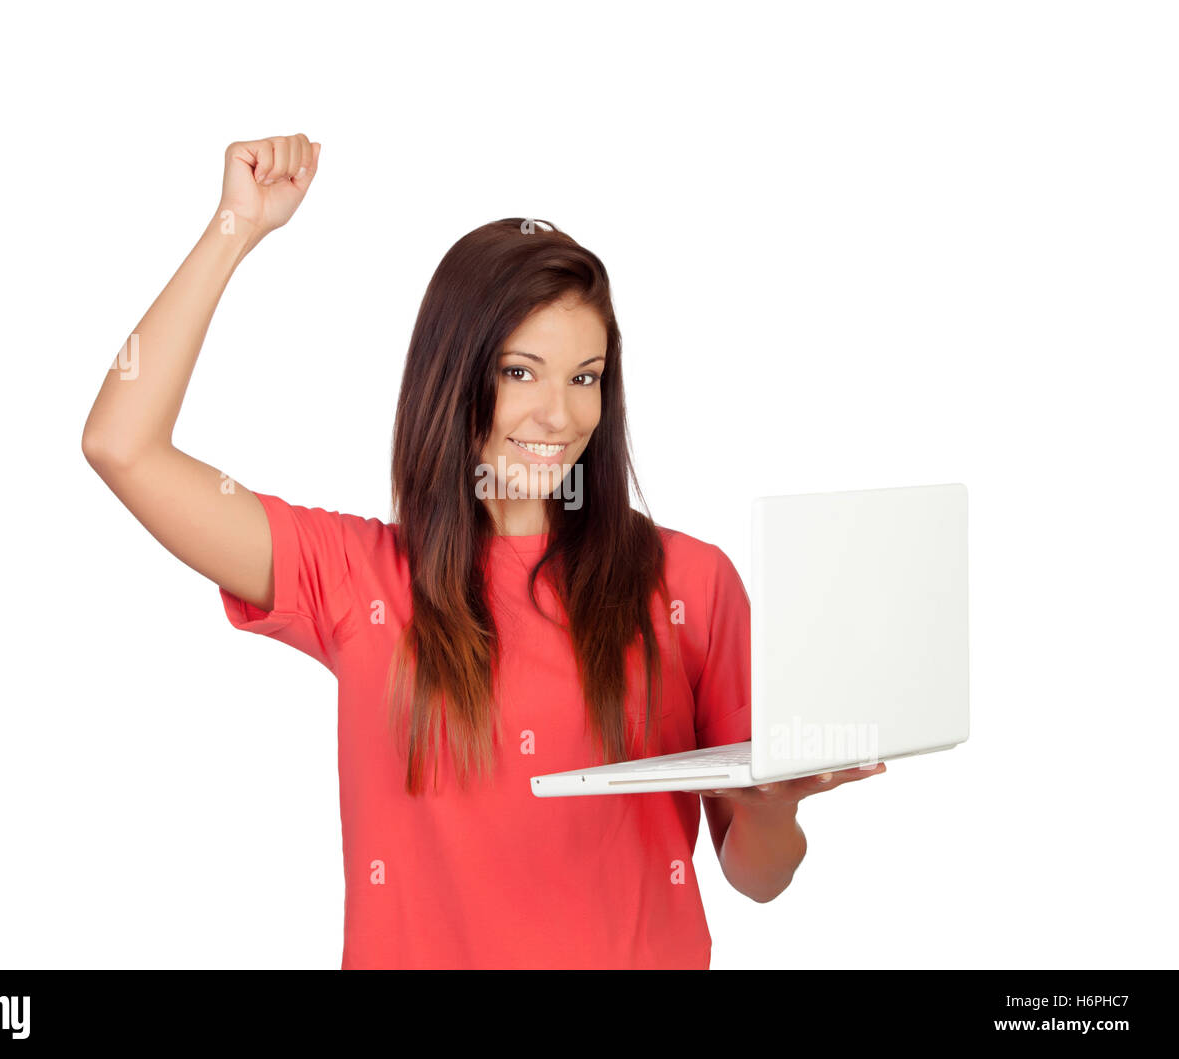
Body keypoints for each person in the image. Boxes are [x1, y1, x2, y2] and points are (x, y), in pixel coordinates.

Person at [81, 133, 885, 970]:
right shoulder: (360, 578)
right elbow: (121, 445)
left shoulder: (690, 581)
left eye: (585, 377)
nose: (561, 415)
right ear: (457, 376)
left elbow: (758, 878)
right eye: (521, 372)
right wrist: (233, 228)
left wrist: (770, 810)